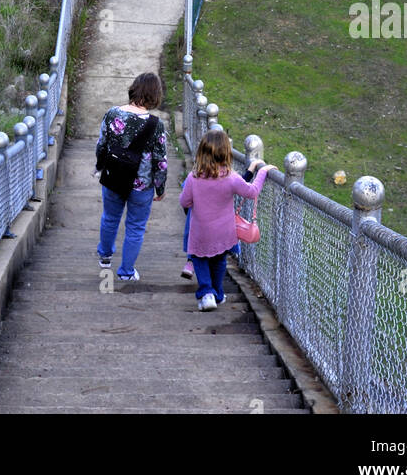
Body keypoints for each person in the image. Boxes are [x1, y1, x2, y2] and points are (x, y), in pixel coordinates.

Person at [180, 129, 278, 310]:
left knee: (199, 260)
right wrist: (262, 171)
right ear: (226, 152)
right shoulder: (231, 177)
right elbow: (252, 191)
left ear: (202, 152)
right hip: (224, 232)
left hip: (200, 231)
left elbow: (184, 201)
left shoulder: (193, 177)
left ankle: (207, 292)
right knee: (219, 261)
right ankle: (218, 294)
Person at [94, 72, 167, 282]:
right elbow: (160, 161)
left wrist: (100, 166)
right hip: (141, 185)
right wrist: (160, 188)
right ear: (155, 95)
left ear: (134, 88)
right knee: (135, 226)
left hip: (113, 177)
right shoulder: (155, 125)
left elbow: (102, 144)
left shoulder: (112, 114)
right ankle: (126, 271)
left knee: (110, 217)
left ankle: (105, 256)